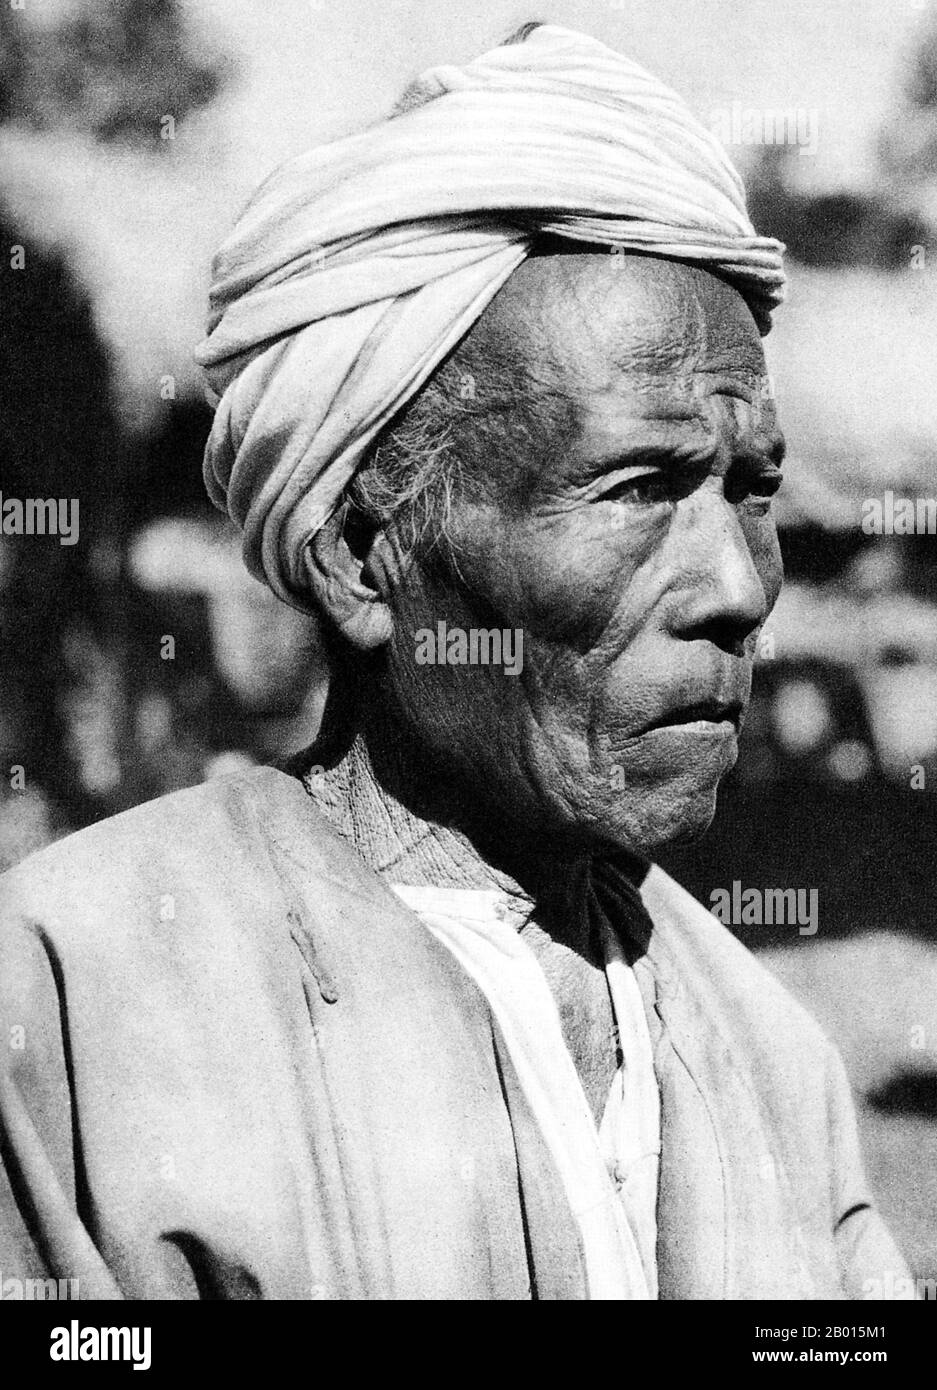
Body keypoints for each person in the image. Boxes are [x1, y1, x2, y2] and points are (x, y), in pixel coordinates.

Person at [0, 23, 912, 1300]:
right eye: (640, 486)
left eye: (750, 489)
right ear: (360, 555)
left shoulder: (766, 1056)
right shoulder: (75, 992)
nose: (741, 583)